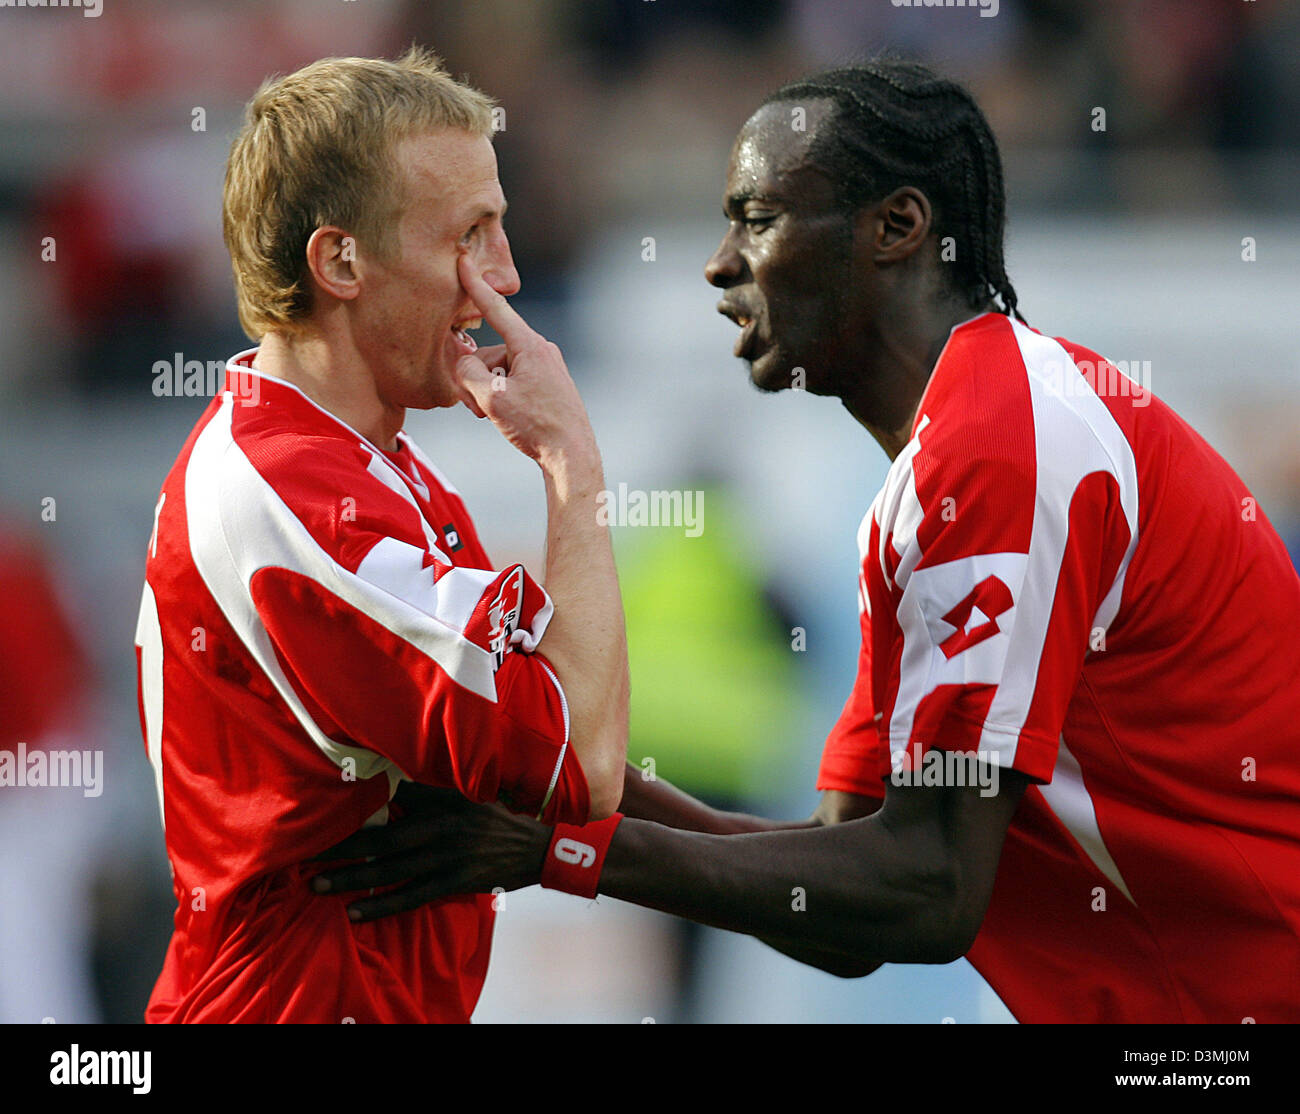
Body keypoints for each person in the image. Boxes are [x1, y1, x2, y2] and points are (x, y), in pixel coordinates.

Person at [310, 58, 1300, 1024]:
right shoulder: (934, 481)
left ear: (896, 229)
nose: (720, 263)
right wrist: (577, 783)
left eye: (759, 219)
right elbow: (841, 900)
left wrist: (560, 852)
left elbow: (929, 888)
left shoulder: (1003, 451)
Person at [133, 48, 628, 1023]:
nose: (506, 275)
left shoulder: (370, 466)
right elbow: (579, 767)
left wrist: (754, 856)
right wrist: (573, 464)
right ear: (341, 260)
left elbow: (550, 740)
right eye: (470, 236)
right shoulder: (293, 495)